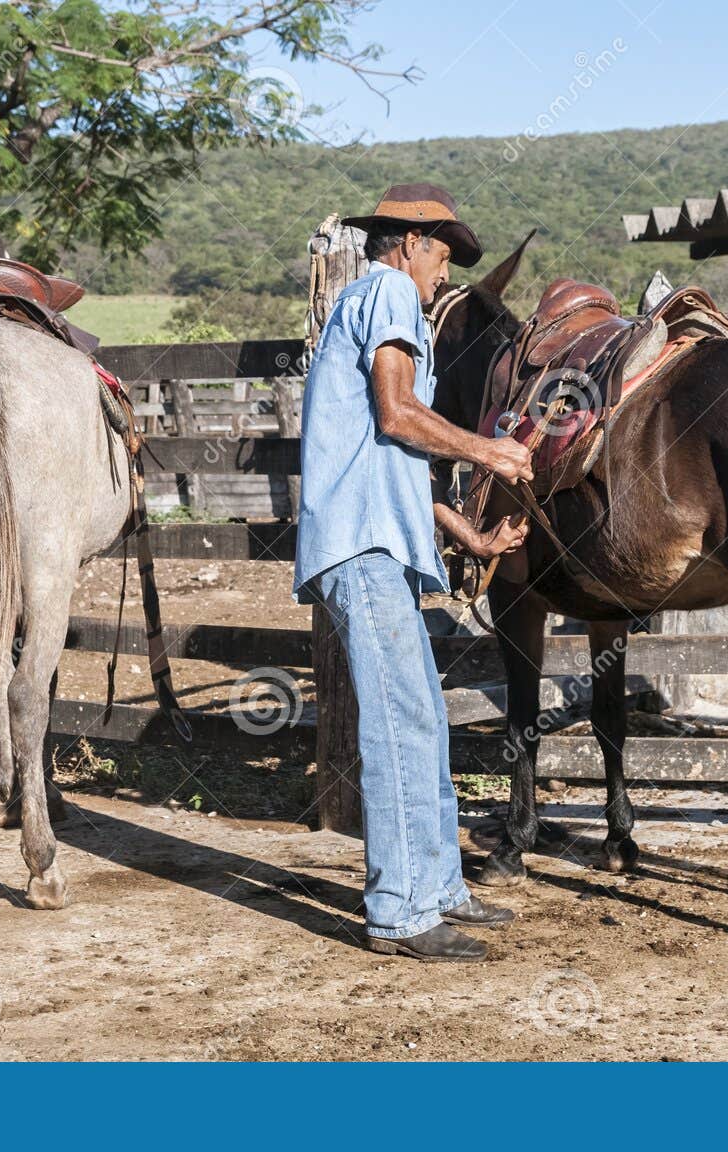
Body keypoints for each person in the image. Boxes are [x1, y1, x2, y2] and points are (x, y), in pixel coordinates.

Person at [294, 184, 534, 962]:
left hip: (375, 540)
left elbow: (389, 455)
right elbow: (400, 415)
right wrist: (489, 448)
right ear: (406, 243)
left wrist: (469, 532)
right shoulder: (390, 293)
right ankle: (399, 909)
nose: (443, 275)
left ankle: (438, 890)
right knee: (401, 721)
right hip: (360, 547)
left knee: (420, 716)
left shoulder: (377, 302)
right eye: (441, 255)